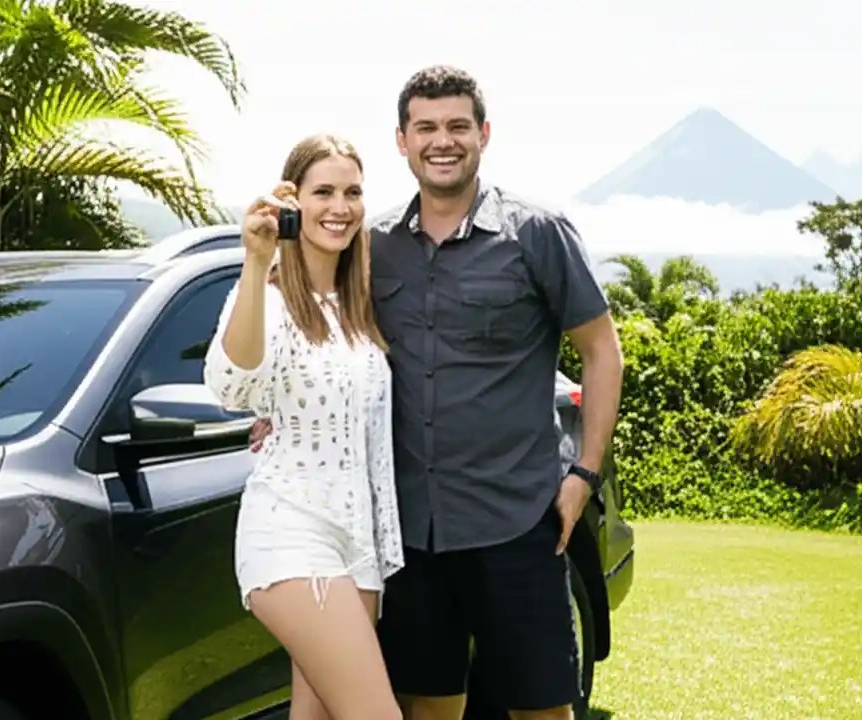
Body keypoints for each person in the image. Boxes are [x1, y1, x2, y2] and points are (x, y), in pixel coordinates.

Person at [250, 66, 625, 720]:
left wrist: (584, 474)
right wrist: (275, 409)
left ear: (483, 134)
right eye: (425, 127)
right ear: (403, 140)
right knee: (427, 707)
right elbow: (316, 321)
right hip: (410, 536)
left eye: (457, 126)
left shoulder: (537, 233)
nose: (441, 141)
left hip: (516, 523)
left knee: (542, 710)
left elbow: (602, 351)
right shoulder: (374, 245)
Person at [202, 133, 405, 720]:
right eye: (323, 192)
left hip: (359, 541)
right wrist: (255, 260)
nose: (340, 207)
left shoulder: (357, 306)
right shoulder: (268, 298)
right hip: (291, 532)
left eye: (352, 192)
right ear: (294, 200)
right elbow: (231, 384)